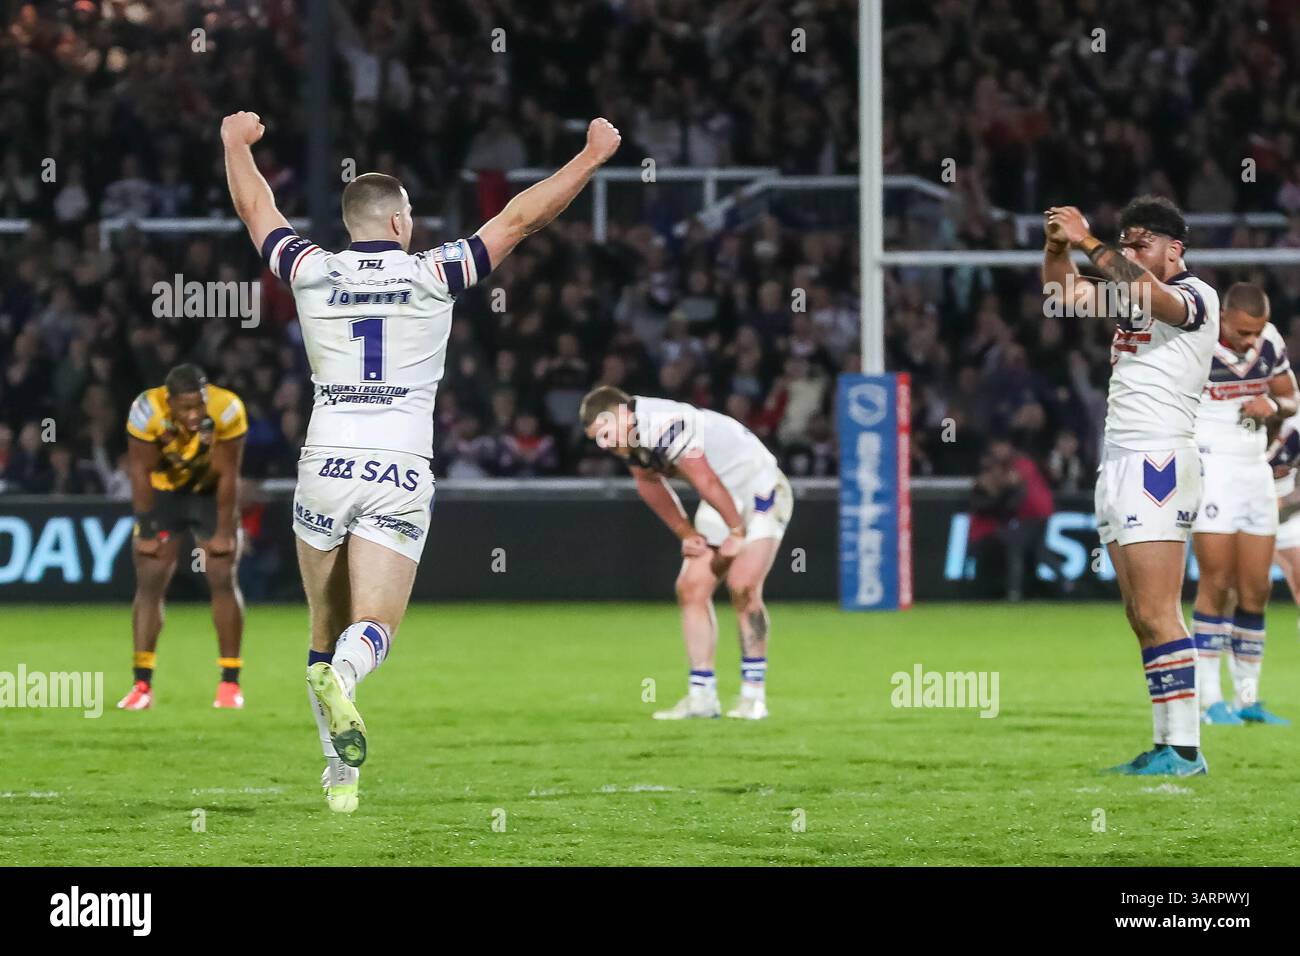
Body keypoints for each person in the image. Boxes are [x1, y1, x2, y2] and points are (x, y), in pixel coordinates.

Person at [222, 110, 622, 812]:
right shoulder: (433, 272)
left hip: (324, 462)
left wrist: (234, 144)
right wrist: (589, 158)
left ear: (352, 223)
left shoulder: (311, 269)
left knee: (322, 623)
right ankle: (345, 680)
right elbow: (523, 217)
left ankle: (339, 776)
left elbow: (256, 205)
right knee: (374, 625)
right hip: (398, 466)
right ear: (400, 223)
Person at [1043, 195, 1219, 776]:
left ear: (1176, 249)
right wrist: (1056, 249)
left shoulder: (1195, 297)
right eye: (1127, 243)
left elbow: (1146, 292)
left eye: (1143, 243)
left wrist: (1089, 241)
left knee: (1161, 608)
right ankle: (1167, 744)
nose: (1131, 252)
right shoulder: (1133, 292)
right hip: (1119, 459)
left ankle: (1187, 750)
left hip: (1158, 460)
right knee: (1140, 614)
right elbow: (1062, 296)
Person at [579, 385, 794, 720]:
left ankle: (753, 695)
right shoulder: (631, 438)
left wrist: (737, 531)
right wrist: (685, 531)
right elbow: (648, 482)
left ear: (619, 413)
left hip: (760, 490)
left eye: (604, 433)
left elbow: (705, 480)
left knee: (743, 585)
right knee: (691, 587)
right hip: (722, 500)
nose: (604, 444)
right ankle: (702, 696)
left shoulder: (664, 423)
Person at [1190, 283, 1294, 726]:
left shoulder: (1270, 339)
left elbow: (1291, 398)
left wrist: (1270, 404)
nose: (1251, 340)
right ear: (1224, 317)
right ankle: (1209, 699)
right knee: (1218, 581)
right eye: (1242, 331)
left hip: (1254, 469)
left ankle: (1247, 698)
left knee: (1256, 589)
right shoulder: (1195, 340)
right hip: (1211, 467)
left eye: (1256, 332)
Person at [117, 364, 248, 711]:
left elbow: (228, 475)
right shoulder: (146, 410)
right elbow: (140, 470)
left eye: (198, 406)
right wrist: (145, 528)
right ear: (169, 401)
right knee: (150, 579)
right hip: (165, 494)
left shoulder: (228, 409)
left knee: (222, 575)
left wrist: (223, 531)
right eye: (185, 408)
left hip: (208, 493)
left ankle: (229, 685)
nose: (193, 415)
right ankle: (142, 684)